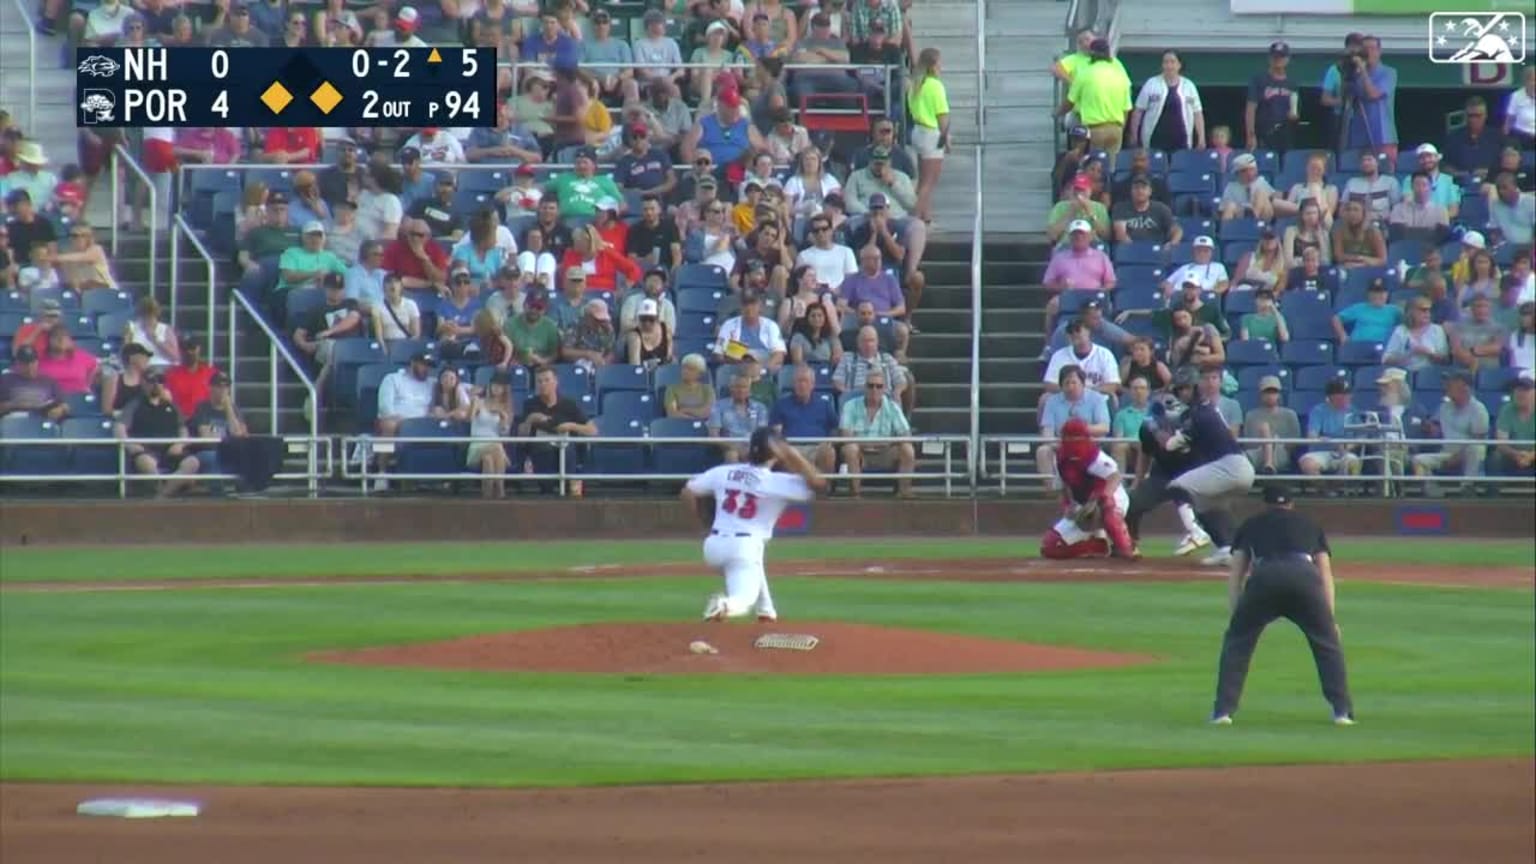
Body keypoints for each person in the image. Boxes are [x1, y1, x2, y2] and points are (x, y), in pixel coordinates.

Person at [1209, 484, 1355, 727]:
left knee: (1238, 644)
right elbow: (1325, 572)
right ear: (1291, 504)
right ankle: (1342, 712)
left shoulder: (1252, 524)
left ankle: (1223, 712)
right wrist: (1330, 618)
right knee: (1327, 645)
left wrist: (1237, 617)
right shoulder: (1310, 524)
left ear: (1264, 504)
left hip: (1266, 576)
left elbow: (1237, 573)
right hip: (1304, 577)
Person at [686, 427, 826, 623]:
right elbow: (819, 484)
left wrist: (700, 522)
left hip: (712, 546)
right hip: (743, 549)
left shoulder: (723, 471)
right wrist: (790, 454)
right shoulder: (778, 482)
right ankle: (723, 605)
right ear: (775, 455)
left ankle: (766, 610)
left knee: (755, 559)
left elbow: (688, 491)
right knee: (743, 600)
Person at [1158, 365, 1257, 566]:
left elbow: (1169, 446)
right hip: (1237, 466)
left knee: (1177, 487)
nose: (1182, 393)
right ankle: (1228, 548)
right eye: (1180, 389)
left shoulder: (1198, 414)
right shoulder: (1205, 408)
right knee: (1205, 506)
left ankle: (1195, 533)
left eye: (1186, 388)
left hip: (1230, 466)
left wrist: (1155, 424)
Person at [1126, 384, 1210, 557]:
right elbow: (1145, 454)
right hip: (1162, 474)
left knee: (1210, 506)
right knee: (1131, 502)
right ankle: (1129, 542)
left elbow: (1204, 452)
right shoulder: (1148, 428)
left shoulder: (1192, 423)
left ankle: (1220, 543)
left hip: (1191, 473)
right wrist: (1137, 481)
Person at [1040, 418, 1137, 560]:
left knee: (1108, 507)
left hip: (1111, 496)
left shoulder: (1094, 455)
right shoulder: (1061, 459)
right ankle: (1097, 546)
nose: (1073, 440)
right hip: (1082, 504)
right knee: (1050, 546)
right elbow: (1063, 489)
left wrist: (1100, 499)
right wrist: (1069, 508)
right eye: (1069, 436)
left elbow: (1114, 476)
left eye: (1077, 436)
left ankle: (1127, 547)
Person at [1129, 50, 1205, 153]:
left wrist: (1201, 138)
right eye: (1166, 62)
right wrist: (1134, 135)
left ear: (1179, 65)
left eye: (1172, 62)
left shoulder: (1189, 86)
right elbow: (1138, 110)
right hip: (1155, 139)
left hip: (1181, 140)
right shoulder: (1151, 83)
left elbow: (1197, 113)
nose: (1169, 65)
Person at [907, 47, 949, 223]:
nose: (942, 66)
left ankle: (925, 215)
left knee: (923, 178)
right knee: (929, 181)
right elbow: (942, 115)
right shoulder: (935, 85)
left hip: (917, 130)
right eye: (940, 62)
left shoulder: (915, 84)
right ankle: (915, 218)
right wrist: (946, 138)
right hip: (931, 132)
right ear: (933, 65)